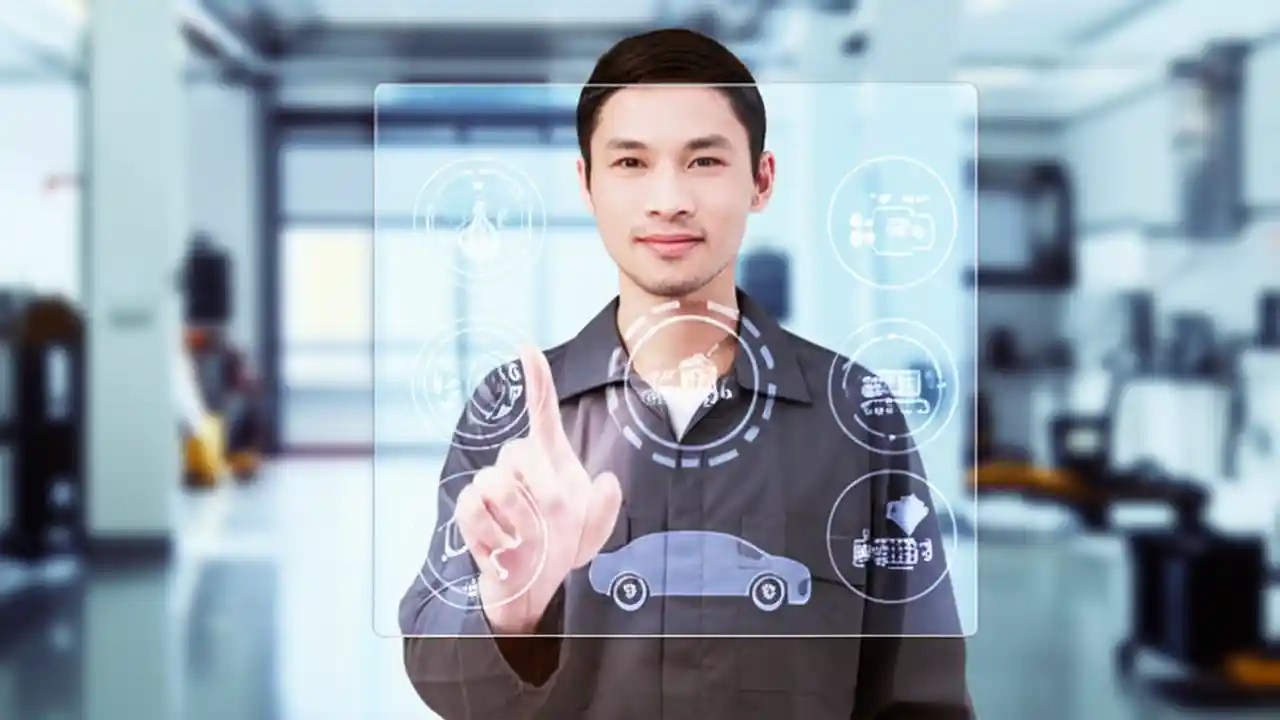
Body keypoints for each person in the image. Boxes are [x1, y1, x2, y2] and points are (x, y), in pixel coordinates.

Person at [399, 27, 973, 720]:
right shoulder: (514, 410)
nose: (668, 199)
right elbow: (438, 669)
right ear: (586, 183)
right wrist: (510, 611)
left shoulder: (854, 414)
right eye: (632, 163)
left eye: (703, 162)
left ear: (761, 181)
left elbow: (922, 692)